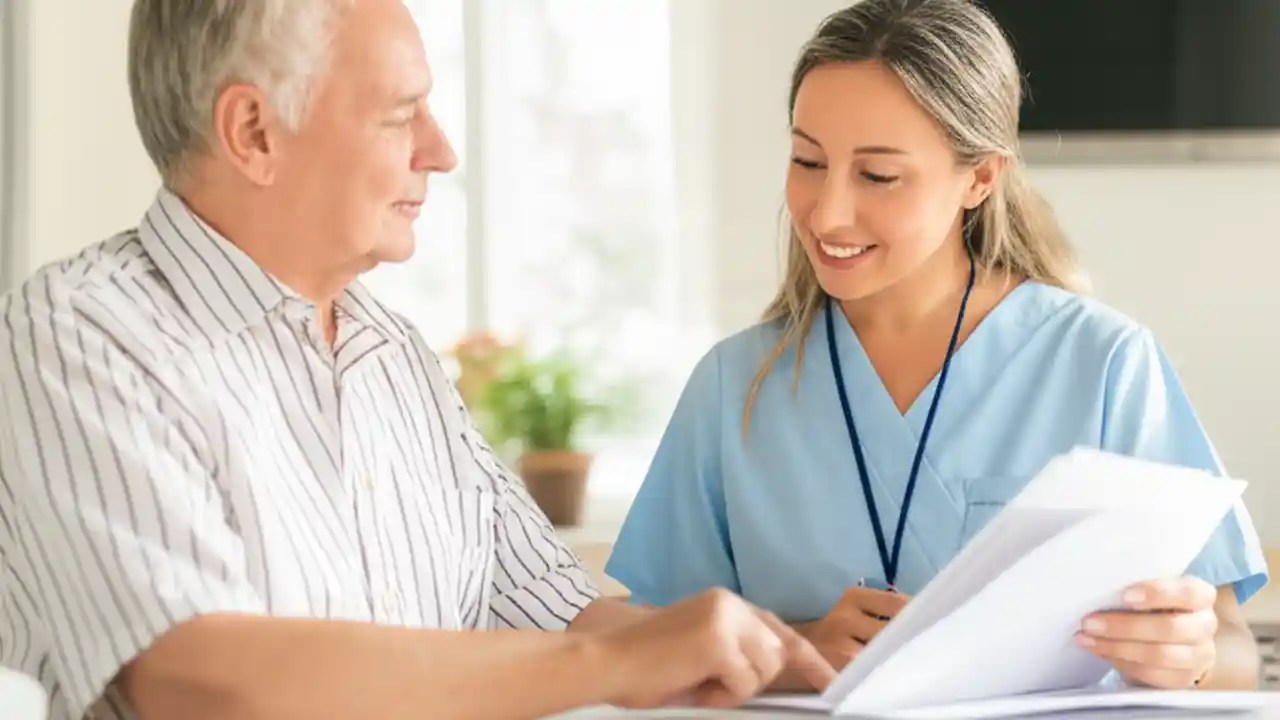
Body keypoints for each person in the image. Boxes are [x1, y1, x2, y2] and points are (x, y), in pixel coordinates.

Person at [0, 1, 836, 718]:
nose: (440, 150)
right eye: (402, 115)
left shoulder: (394, 355)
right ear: (253, 132)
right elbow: (202, 680)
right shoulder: (78, 335)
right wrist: (617, 663)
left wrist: (784, 655)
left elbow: (558, 615)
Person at [606, 0, 1269, 693]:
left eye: (878, 176)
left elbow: (1233, 651)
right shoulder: (734, 386)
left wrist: (1190, 657)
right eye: (808, 160)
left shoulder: (1105, 365)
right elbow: (641, 650)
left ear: (980, 178)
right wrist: (795, 651)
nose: (827, 212)